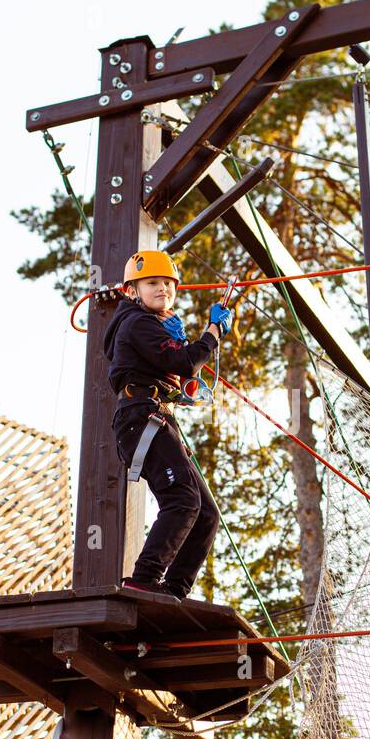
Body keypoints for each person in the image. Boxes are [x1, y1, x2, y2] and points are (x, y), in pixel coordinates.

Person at [102, 250, 233, 599]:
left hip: (155, 415)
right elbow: (183, 361)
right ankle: (144, 580)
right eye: (152, 283)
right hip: (142, 418)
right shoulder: (136, 323)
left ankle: (174, 589)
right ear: (133, 290)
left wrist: (179, 343)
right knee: (183, 499)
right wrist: (211, 334)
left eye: (168, 283)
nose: (163, 289)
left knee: (205, 513)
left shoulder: (149, 324)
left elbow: (175, 366)